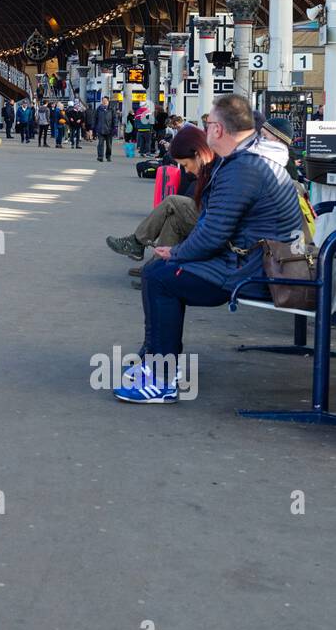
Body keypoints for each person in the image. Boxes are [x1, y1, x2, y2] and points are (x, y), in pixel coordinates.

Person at [116, 95, 303, 404]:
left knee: (161, 277)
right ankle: (154, 359)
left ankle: (162, 379)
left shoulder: (244, 169)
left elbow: (213, 234)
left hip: (257, 271)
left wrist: (175, 254)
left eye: (208, 124)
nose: (205, 130)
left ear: (219, 129)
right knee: (157, 271)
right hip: (264, 261)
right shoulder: (251, 159)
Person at [105, 125, 215, 283]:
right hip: (204, 211)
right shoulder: (212, 164)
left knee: (172, 202)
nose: (187, 170)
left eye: (185, 165)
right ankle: (157, 268)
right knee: (174, 220)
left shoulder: (219, 165)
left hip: (209, 216)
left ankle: (137, 242)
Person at [93, 97, 116, 161]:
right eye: (103, 100)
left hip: (109, 130)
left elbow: (114, 118)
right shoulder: (99, 109)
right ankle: (100, 156)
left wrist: (115, 127)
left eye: (105, 100)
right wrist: (94, 128)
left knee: (109, 145)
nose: (104, 102)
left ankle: (108, 156)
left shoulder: (111, 109)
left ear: (108, 101)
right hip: (100, 129)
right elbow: (95, 118)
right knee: (100, 144)